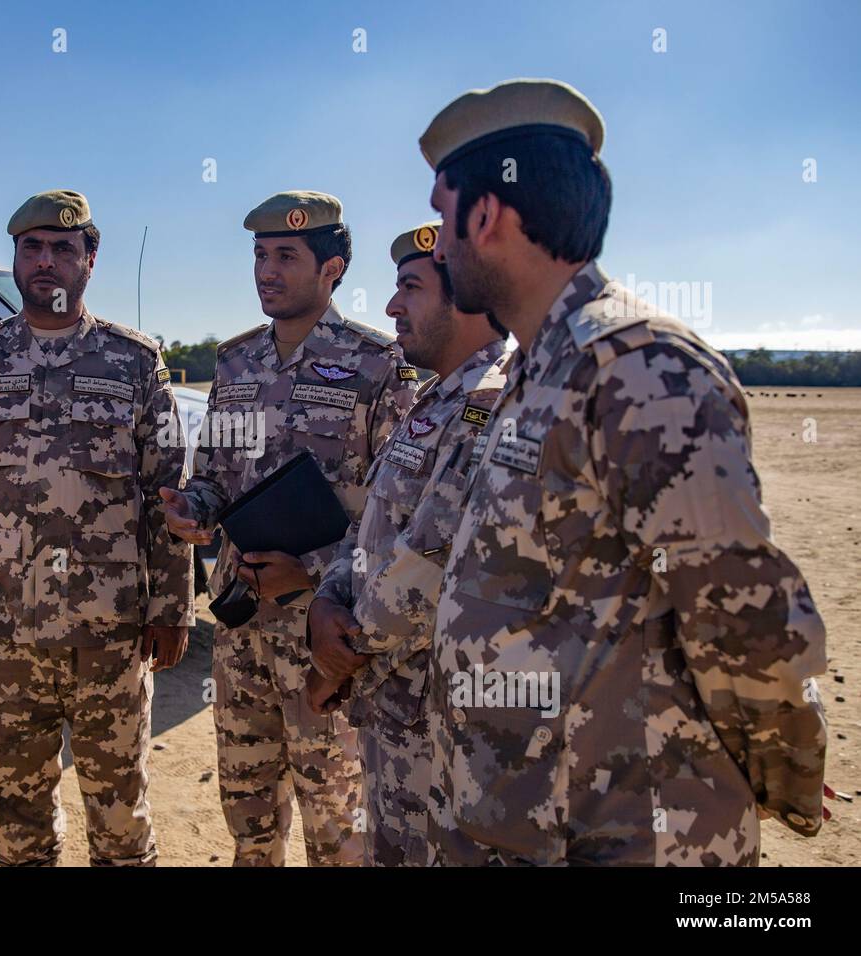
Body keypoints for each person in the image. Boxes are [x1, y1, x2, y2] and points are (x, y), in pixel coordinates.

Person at [419, 78, 828, 865]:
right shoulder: (543, 367)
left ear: (486, 213)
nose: (439, 243)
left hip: (622, 833)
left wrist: (780, 783)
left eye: (442, 216)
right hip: (530, 822)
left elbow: (745, 616)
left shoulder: (636, 367)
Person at [161, 190, 417, 865]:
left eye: (286, 256)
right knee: (249, 825)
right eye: (259, 255)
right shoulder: (235, 362)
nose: (266, 271)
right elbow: (214, 473)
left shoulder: (380, 367)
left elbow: (401, 514)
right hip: (242, 630)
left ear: (332, 267)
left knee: (336, 832)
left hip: (327, 635)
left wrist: (310, 569)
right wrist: (195, 510)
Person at [0, 189, 193, 867]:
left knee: (121, 819)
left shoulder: (133, 360)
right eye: (31, 247)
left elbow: (166, 494)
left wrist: (172, 607)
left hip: (108, 637)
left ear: (90, 260)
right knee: (16, 821)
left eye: (64, 248)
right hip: (1, 639)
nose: (46, 261)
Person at [306, 222, 508, 866]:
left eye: (411, 289)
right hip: (395, 709)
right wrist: (327, 598)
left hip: (441, 725)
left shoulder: (488, 404)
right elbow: (369, 525)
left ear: (469, 299)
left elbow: (429, 559)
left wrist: (342, 648)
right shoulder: (432, 402)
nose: (392, 306)